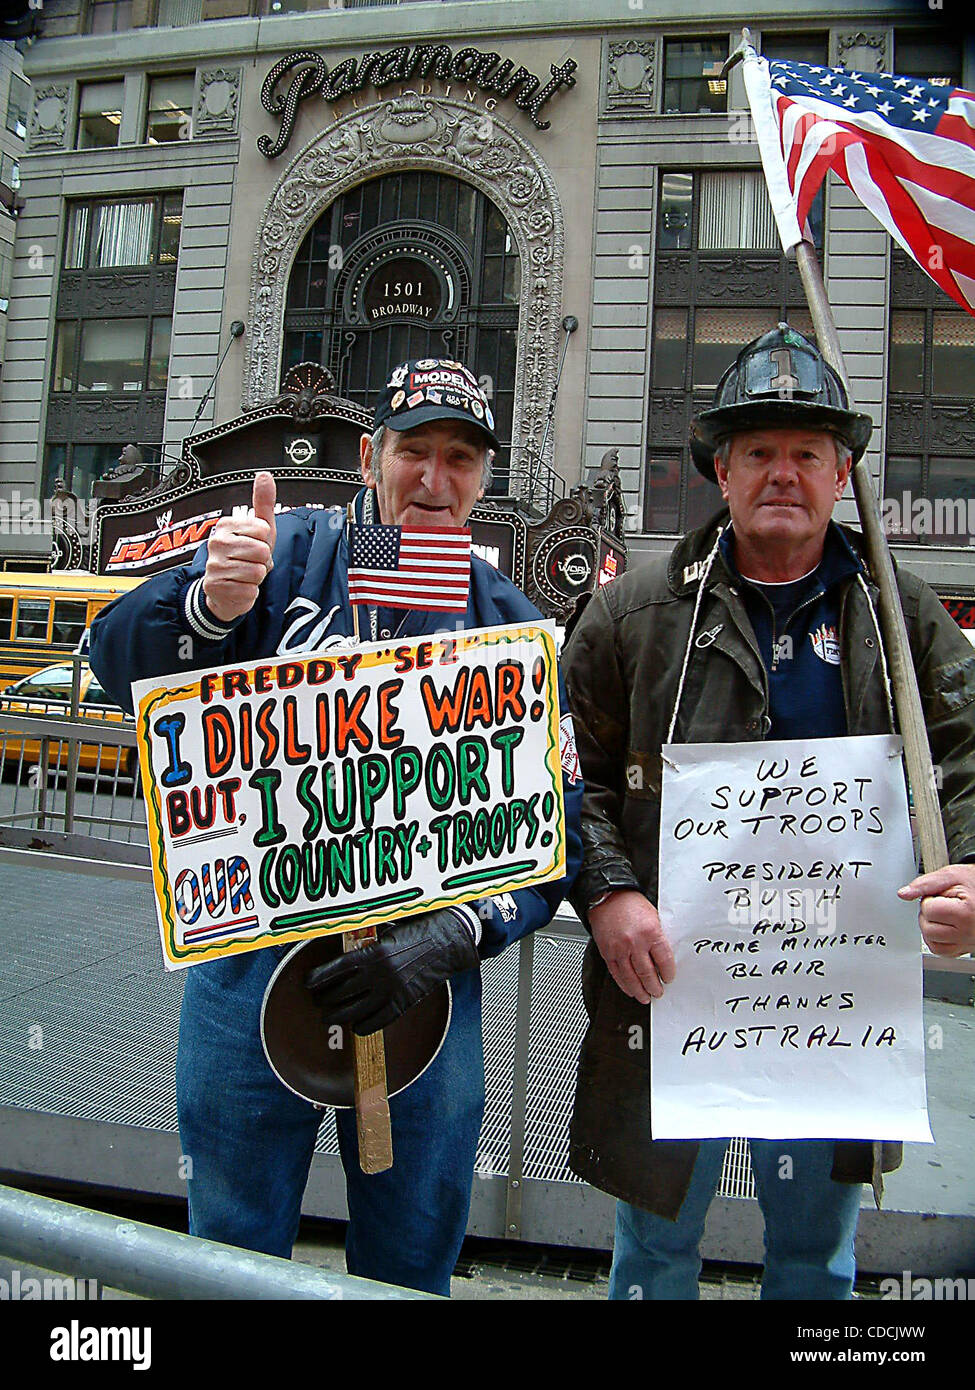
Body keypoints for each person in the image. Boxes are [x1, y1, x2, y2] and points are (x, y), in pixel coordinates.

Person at [90, 358, 583, 1296]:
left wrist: (461, 931)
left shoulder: (512, 626)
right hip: (247, 972)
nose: (434, 481)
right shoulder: (282, 556)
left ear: (485, 479)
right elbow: (115, 662)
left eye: (460, 459)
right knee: (229, 1246)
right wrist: (205, 605)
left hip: (425, 989)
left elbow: (555, 823)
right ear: (370, 456)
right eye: (413, 452)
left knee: (409, 1257)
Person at [562, 324, 975, 1301]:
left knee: (814, 1261)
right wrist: (611, 891)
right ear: (721, 468)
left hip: (836, 1004)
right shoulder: (635, 614)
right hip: (671, 999)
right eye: (759, 452)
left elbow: (968, 760)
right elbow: (566, 771)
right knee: (656, 1252)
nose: (782, 472)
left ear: (843, 472)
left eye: (806, 453)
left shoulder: (900, 612)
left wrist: (970, 867)